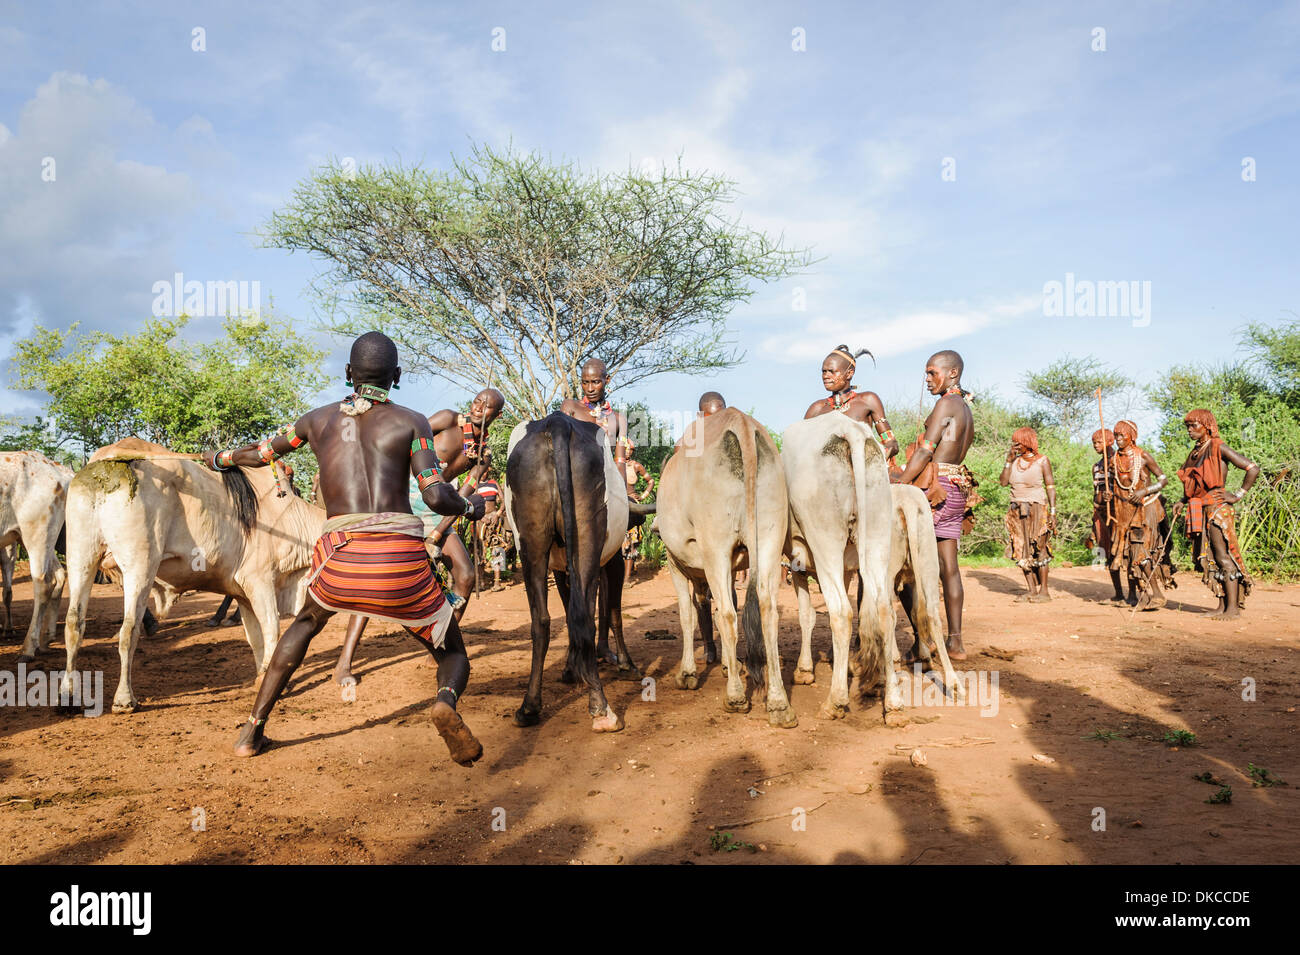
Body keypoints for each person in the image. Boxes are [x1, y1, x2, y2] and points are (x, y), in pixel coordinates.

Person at [211, 332, 489, 764]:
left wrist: (219, 460)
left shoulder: (314, 421)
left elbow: (261, 453)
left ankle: (252, 731)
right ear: (396, 377)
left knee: (304, 624)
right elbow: (435, 496)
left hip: (339, 561)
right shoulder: (413, 422)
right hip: (400, 566)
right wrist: (470, 506)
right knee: (452, 652)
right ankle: (445, 703)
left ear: (347, 374)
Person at [333, 387, 505, 686]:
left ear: (497, 415)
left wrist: (439, 531)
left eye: (487, 406)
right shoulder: (448, 419)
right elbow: (405, 439)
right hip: (404, 498)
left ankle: (440, 648)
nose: (479, 408)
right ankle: (344, 662)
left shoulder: (483, 454)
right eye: (477, 401)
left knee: (465, 576)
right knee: (376, 579)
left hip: (439, 506)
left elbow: (463, 494)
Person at [890, 350, 974, 660]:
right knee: (949, 569)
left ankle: (923, 640)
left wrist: (900, 483)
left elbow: (926, 451)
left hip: (934, 492)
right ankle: (956, 642)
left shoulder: (946, 404)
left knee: (904, 571)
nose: (927, 379)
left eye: (931, 373)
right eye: (926, 373)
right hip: (956, 489)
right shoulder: (964, 407)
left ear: (952, 373)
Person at [1175, 409, 1259, 619]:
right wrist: (1181, 500)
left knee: (1223, 556)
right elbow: (1193, 485)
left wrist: (1238, 494)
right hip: (1200, 508)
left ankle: (1233, 609)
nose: (1190, 430)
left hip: (1217, 509)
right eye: (1187, 426)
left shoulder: (1217, 446)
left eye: (1194, 426)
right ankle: (1222, 605)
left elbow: (1252, 468)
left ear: (1207, 426)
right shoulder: (1195, 452)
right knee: (1211, 557)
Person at [1108, 420, 1176, 610]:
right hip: (1125, 512)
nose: (1118, 439)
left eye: (1122, 435)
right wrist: (1109, 494)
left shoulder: (1143, 456)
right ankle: (1144, 596)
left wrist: (1143, 492)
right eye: (1116, 435)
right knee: (1130, 553)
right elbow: (1118, 487)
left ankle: (1157, 595)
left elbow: (1163, 480)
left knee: (1141, 552)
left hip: (1147, 509)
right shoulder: (1114, 459)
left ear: (1132, 436)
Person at [803, 344, 900, 459]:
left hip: (862, 471)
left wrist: (874, 457)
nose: (826, 376)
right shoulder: (816, 409)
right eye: (824, 371)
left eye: (831, 371)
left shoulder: (868, 400)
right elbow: (801, 447)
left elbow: (890, 442)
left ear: (849, 373)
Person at [999, 426, 1056, 601]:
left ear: (1027, 443)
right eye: (1013, 443)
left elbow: (1050, 487)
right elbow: (1003, 482)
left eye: (1018, 443)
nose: (1014, 446)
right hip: (1017, 511)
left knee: (1040, 549)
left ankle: (1044, 592)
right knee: (1021, 550)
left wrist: (1052, 512)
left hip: (1038, 509)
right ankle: (1031, 590)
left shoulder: (1042, 461)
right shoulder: (1014, 462)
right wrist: (1008, 461)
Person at [1085, 428, 1129, 605]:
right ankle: (1119, 594)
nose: (1095, 445)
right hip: (1103, 514)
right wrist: (1100, 500)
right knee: (1109, 552)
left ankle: (1133, 593)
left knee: (1126, 552)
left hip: (1121, 512)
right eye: (1094, 443)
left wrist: (1114, 496)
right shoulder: (1096, 467)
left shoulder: (1120, 461)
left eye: (1099, 442)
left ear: (1110, 441)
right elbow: (1095, 492)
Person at [561, 358, 630, 466]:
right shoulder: (570, 407)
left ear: (607, 380)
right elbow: (560, 452)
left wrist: (621, 483)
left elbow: (620, 464)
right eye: (585, 383)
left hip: (605, 479)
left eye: (595, 382)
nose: (590, 389)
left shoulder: (619, 419)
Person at [622, 445, 655, 582]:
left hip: (633, 505)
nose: (628, 451)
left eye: (631, 450)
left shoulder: (635, 465)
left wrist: (643, 495)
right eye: (625, 449)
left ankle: (627, 578)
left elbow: (651, 481)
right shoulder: (612, 464)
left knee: (631, 540)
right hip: (616, 503)